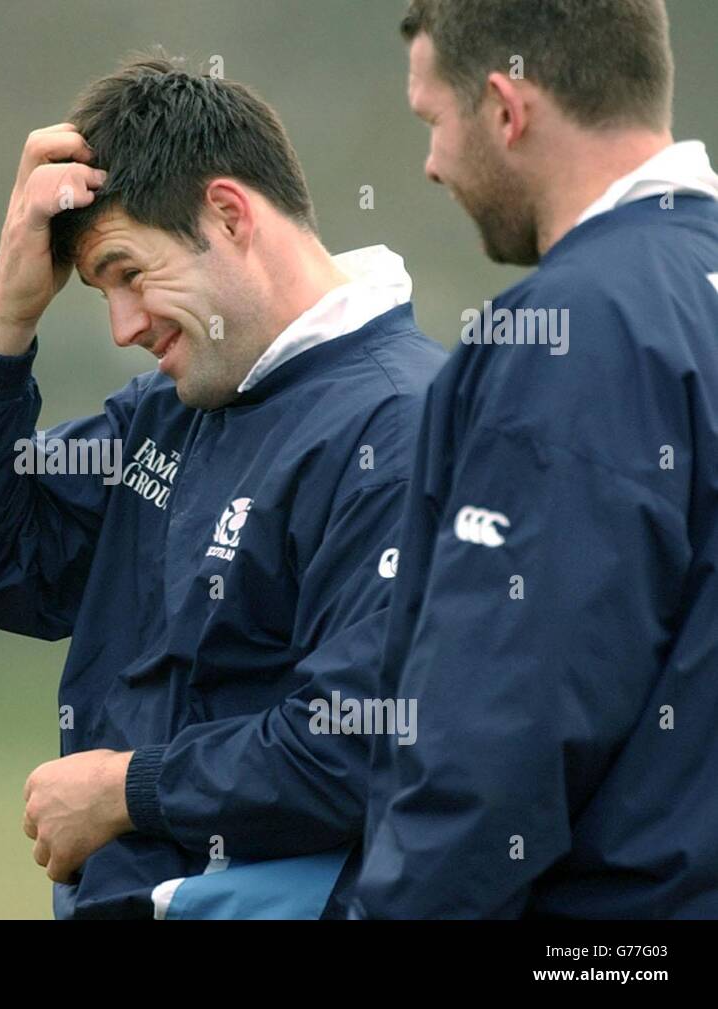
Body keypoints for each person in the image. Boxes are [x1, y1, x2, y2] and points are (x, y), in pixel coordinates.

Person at [0, 54, 446, 919]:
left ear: (229, 214)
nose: (122, 325)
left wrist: (130, 788)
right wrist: (5, 321)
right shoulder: (173, 408)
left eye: (130, 272)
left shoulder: (399, 424)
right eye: (100, 291)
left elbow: (363, 740)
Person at [355, 0, 718, 918]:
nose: (432, 164)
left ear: (507, 109)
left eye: (434, 120)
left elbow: (499, 737)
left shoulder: (570, 334)